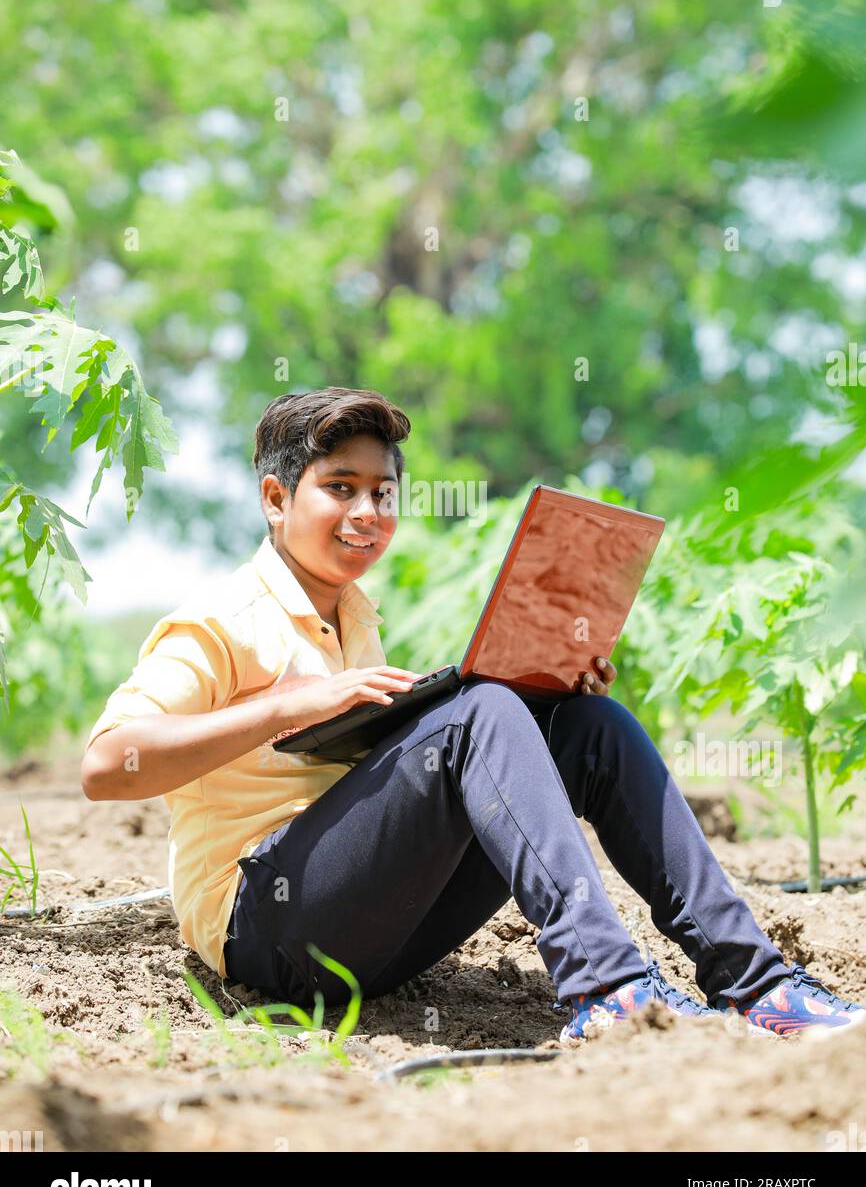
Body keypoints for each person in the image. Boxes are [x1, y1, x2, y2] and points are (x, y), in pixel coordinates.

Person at [81, 387, 866, 1042]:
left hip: (369, 935)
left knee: (589, 728)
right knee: (476, 713)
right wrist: (283, 705)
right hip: (266, 934)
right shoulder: (220, 619)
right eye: (340, 488)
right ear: (276, 499)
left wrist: (549, 687)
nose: (367, 511)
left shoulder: (355, 616)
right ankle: (613, 992)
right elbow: (108, 764)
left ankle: (753, 983)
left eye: (382, 492)